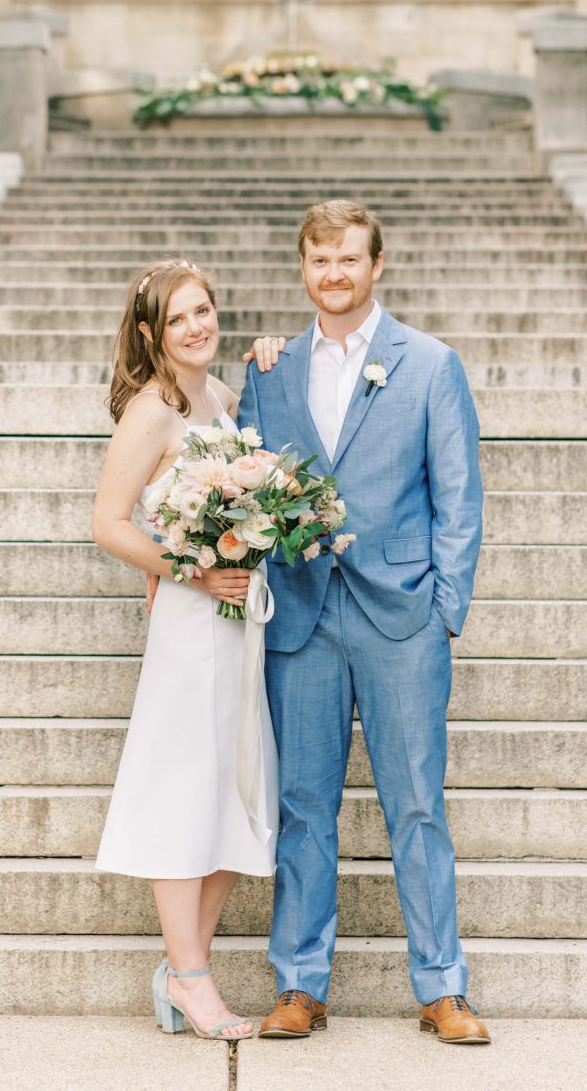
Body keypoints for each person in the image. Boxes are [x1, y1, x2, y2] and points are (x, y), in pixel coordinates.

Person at [241, 199, 489, 1046]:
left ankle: (442, 988)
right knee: (303, 805)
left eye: (348, 259)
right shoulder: (269, 369)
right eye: (319, 262)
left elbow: (459, 496)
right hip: (302, 618)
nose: (333, 274)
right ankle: (299, 984)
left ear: (375, 264)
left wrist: (442, 609)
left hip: (400, 619)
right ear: (302, 269)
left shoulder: (428, 364)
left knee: (416, 804)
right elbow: (246, 477)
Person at [92, 258, 282, 1042]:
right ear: (149, 334)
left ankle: (182, 968)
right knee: (183, 795)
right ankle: (193, 978)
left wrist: (278, 353)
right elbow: (108, 523)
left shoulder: (224, 398)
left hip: (239, 626)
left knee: (242, 794)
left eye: (204, 311)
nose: (198, 327)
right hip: (190, 619)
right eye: (178, 319)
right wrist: (189, 573)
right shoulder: (153, 410)